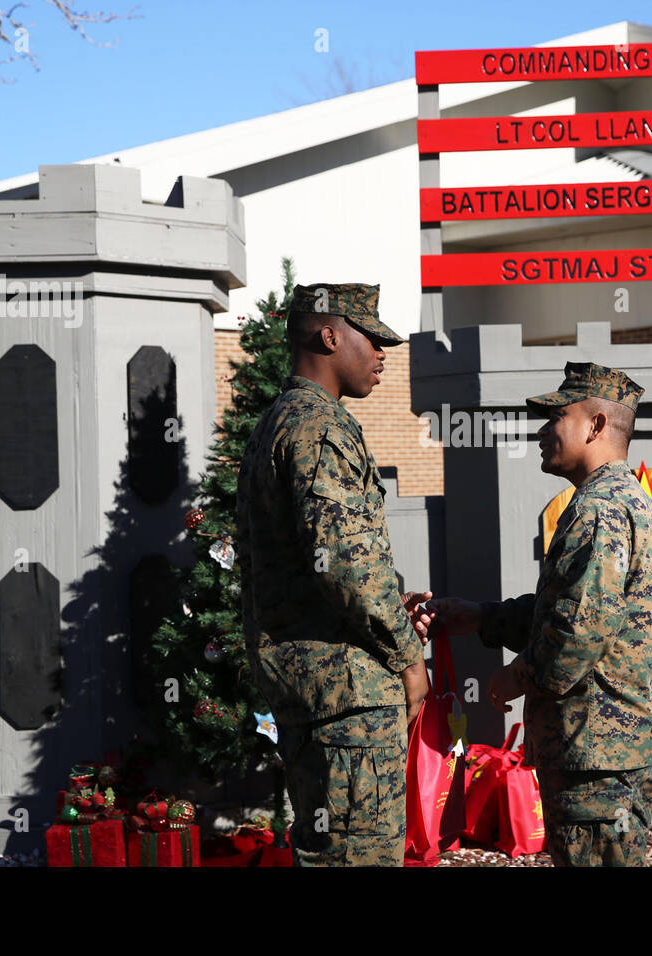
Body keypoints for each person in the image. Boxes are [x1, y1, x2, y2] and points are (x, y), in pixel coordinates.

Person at [430, 361, 652, 866]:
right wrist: (482, 617)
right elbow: (570, 608)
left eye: (555, 418)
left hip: (598, 749)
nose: (541, 432)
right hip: (611, 745)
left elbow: (578, 633)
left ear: (596, 425)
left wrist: (512, 678)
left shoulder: (599, 509)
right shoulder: (621, 500)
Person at [236, 282, 434, 867]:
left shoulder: (280, 421)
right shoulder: (318, 427)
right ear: (328, 335)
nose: (382, 354)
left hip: (315, 690)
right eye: (370, 339)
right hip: (348, 700)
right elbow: (347, 565)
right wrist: (407, 654)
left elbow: (319, 561)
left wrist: (393, 602)